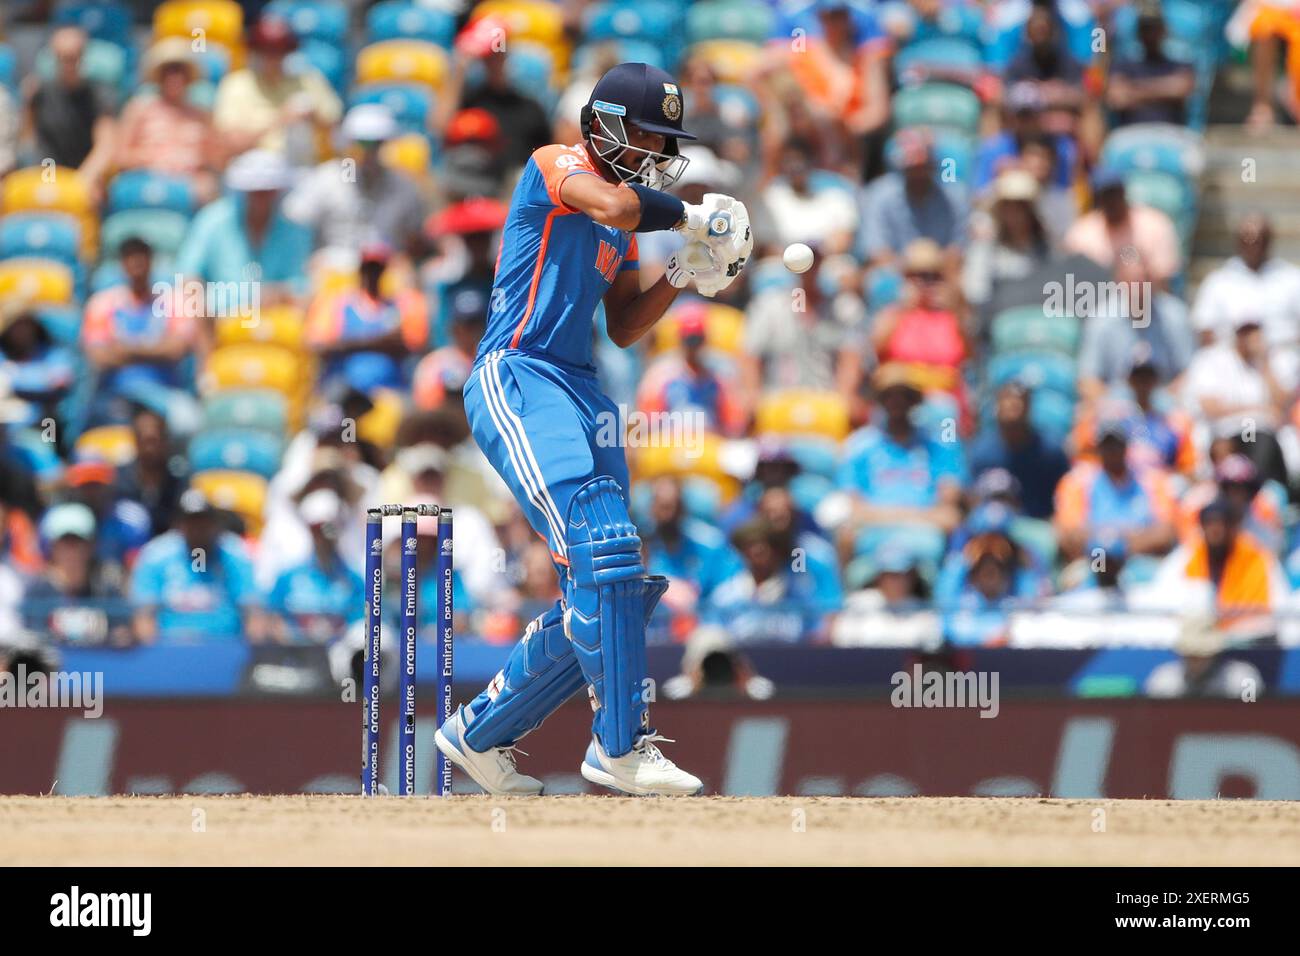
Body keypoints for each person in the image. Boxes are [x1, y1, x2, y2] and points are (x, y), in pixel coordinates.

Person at [434, 62, 753, 797]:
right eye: (646, 133)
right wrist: (693, 215)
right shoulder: (557, 165)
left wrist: (686, 273)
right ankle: (621, 745)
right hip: (518, 374)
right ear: (604, 121)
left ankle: (478, 735)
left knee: (610, 575)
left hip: (583, 386)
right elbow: (613, 207)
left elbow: (624, 325)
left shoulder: (628, 212)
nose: (654, 150)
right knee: (601, 548)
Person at [283, 104, 427, 261]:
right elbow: (295, 225)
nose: (368, 151)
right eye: (361, 143)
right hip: (332, 269)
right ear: (347, 142)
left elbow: (414, 239)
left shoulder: (401, 185)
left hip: (383, 268)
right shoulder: (327, 178)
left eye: (375, 143)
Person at [82, 236, 198, 425]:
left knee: (187, 422)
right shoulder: (102, 303)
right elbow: (99, 356)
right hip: (116, 394)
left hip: (164, 393)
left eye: (142, 256)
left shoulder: (172, 301)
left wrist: (126, 349)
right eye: (130, 256)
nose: (137, 262)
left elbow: (175, 349)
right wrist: (153, 348)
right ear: (122, 263)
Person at [129, 488, 265, 644]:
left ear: (216, 524)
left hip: (226, 650)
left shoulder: (235, 555)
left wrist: (249, 654)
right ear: (179, 525)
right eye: (192, 523)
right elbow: (144, 617)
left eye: (204, 523)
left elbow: (255, 614)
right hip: (170, 651)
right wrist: (155, 657)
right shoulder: (156, 556)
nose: (198, 530)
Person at [174, 149, 313, 300]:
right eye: (254, 192)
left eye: (268, 192)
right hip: (217, 316)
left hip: (279, 318)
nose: (261, 199)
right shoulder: (212, 221)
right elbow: (188, 276)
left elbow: (299, 286)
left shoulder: (294, 231)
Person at [212, 15, 341, 164]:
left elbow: (337, 128)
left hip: (306, 165)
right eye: (265, 50)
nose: (272, 57)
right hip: (253, 168)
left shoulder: (308, 80)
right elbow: (230, 144)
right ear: (254, 51)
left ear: (288, 52)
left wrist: (314, 117)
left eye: (278, 50)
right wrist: (281, 119)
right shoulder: (236, 83)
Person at [305, 242, 427, 395]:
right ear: (360, 270)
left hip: (389, 392)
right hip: (344, 392)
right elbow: (319, 346)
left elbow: (413, 345)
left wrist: (349, 343)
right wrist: (378, 341)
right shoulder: (338, 304)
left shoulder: (398, 306)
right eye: (368, 269)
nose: (372, 275)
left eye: (377, 269)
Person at [114, 37, 224, 203]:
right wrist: (153, 159)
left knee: (208, 189)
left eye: (180, 71)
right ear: (160, 76)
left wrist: (197, 161)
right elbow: (121, 156)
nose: (175, 77)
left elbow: (217, 160)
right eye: (169, 71)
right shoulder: (139, 109)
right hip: (145, 180)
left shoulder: (201, 115)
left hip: (190, 185)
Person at [23, 26, 116, 196]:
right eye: (63, 58)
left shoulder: (99, 95)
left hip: (85, 174)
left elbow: (105, 147)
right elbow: (32, 140)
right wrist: (48, 181)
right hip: (49, 169)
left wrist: (80, 181)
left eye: (74, 57)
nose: (69, 64)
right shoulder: (39, 92)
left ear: (83, 56)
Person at [1190, 213, 1300, 352]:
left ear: (1269, 241)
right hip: (1231, 363)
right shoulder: (1219, 281)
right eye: (1246, 239)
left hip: (1283, 361)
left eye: (1259, 240)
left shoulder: (1292, 278)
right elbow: (1204, 328)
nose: (1252, 245)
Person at [1063, 169, 1181, 287]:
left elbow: (1164, 278)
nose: (1112, 201)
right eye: (1106, 196)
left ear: (1124, 193)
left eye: (1115, 194)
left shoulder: (1154, 224)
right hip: (1095, 300)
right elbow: (1072, 279)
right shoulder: (1081, 233)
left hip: (1149, 298)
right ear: (1098, 200)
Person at [969, 382, 1070, 521]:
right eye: (1007, 400)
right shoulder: (982, 451)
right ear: (996, 406)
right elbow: (973, 498)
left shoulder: (1050, 451)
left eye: (1018, 400)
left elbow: (1064, 496)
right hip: (994, 525)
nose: (1012, 405)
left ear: (1029, 406)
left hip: (1040, 525)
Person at [1105, 0, 1195, 127]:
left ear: (1163, 30)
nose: (1150, 34)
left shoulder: (1179, 61)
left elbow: (1182, 88)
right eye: (1146, 29)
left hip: (1172, 134)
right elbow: (1117, 97)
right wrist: (1165, 89)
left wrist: (1133, 89)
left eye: (1154, 29)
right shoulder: (1124, 64)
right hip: (1130, 134)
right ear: (1138, 32)